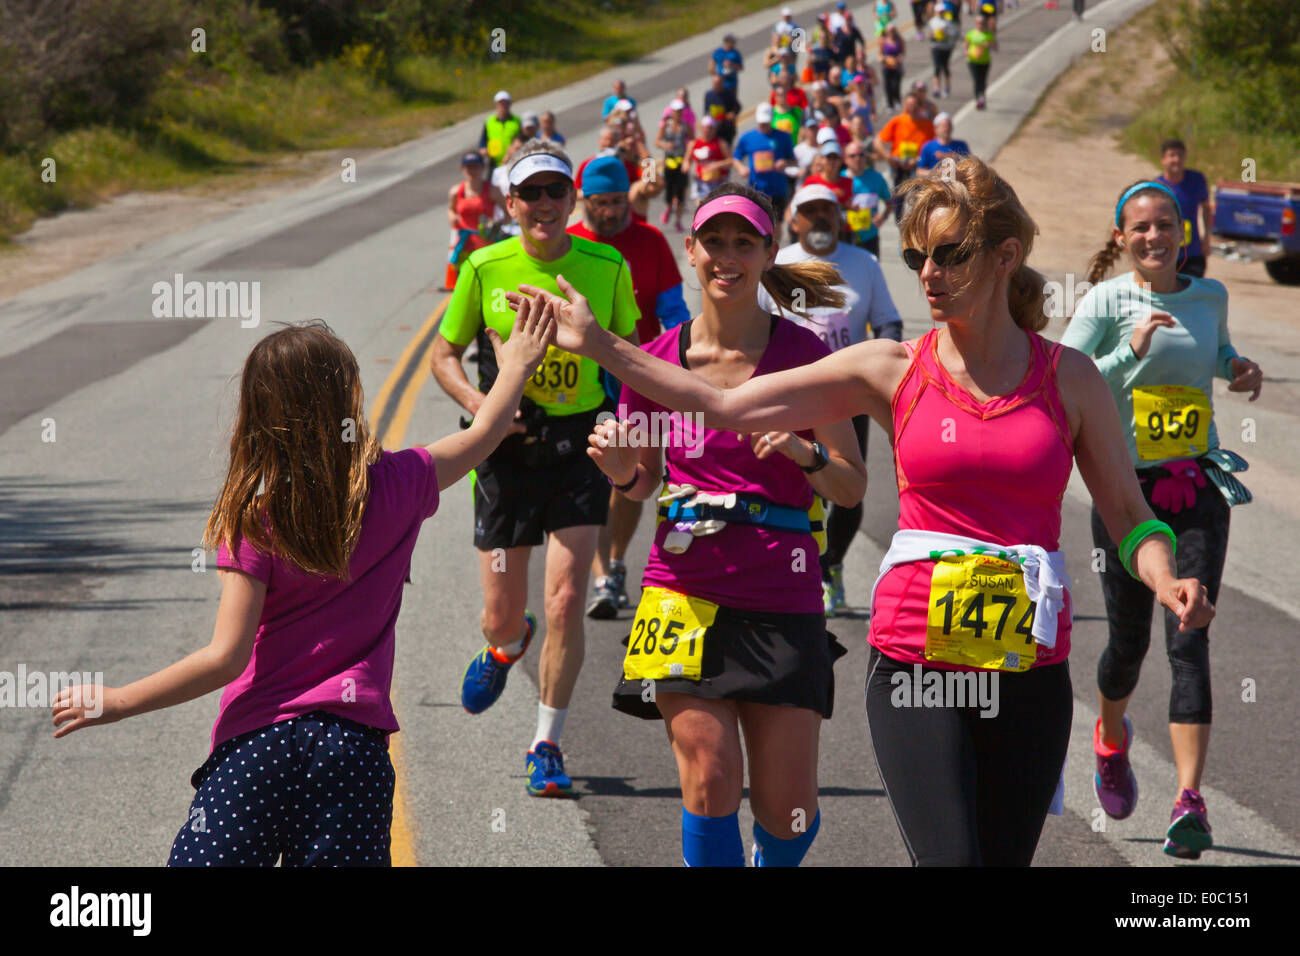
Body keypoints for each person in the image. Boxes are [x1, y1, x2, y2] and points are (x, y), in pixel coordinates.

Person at [528, 155, 1216, 866]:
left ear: (1005, 256)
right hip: (916, 659)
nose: (929, 274)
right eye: (918, 256)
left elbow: (1131, 515)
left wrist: (1165, 578)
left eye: (950, 255)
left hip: (1027, 664)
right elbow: (724, 405)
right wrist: (600, 343)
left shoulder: (1068, 378)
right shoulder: (887, 367)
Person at [52, 308, 555, 866]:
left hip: (259, 744)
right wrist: (516, 367)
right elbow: (485, 436)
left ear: (260, 416)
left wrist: (118, 702)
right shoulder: (402, 481)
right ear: (349, 403)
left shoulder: (256, 518)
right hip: (352, 750)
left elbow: (225, 657)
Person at [515, 183, 866, 867]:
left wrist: (807, 454)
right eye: (714, 242)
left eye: (744, 243)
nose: (726, 257)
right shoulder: (655, 360)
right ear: (691, 250)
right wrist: (620, 471)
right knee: (708, 776)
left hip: (782, 587)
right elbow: (644, 481)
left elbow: (850, 488)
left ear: (769, 252)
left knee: (787, 809)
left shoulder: (810, 360)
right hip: (682, 584)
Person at [432, 141, 641, 796]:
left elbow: (632, 353)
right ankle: (504, 643)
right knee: (504, 613)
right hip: (505, 452)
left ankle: (546, 743)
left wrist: (624, 420)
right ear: (511, 203)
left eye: (557, 191)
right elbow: (444, 353)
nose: (545, 204)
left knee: (568, 597)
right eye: (533, 194)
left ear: (570, 199)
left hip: (578, 445)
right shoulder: (484, 264)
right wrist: (481, 406)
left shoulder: (606, 265)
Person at [1061, 179, 1262, 859]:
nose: (1154, 237)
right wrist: (1129, 354)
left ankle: (1189, 800)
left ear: (1184, 231)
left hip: (1198, 487)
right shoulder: (1106, 302)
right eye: (1140, 228)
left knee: (1190, 634)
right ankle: (1111, 738)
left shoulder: (1210, 296)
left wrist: (1236, 367)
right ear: (1121, 238)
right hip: (1126, 493)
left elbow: (1216, 354)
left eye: (1165, 224)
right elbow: (1064, 384)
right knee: (1128, 646)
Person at [756, 184, 903, 615]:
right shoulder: (776, 264)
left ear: (841, 218)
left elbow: (889, 324)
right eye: (810, 210)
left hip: (846, 399)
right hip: (788, 397)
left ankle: (829, 566)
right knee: (795, 488)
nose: (820, 217)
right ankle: (790, 572)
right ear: (794, 220)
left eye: (828, 210)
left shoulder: (864, 263)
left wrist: (879, 367)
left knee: (847, 491)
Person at [568, 156, 690, 617]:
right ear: (585, 200)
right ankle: (602, 576)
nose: (612, 211)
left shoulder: (651, 241)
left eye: (619, 201)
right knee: (597, 477)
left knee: (634, 476)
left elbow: (674, 310)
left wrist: (681, 365)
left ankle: (615, 564)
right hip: (586, 385)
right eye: (602, 203)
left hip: (641, 378)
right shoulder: (570, 245)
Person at [443, 152, 505, 291]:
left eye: (476, 167)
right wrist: (452, 217)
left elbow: (508, 212)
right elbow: (451, 209)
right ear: (462, 169)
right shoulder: (456, 191)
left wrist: (497, 224)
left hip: (487, 244)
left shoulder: (492, 191)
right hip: (465, 245)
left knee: (487, 284)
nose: (472, 171)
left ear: (483, 168)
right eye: (468, 167)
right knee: (465, 285)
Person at [732, 104, 798, 225]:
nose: (764, 125)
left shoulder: (783, 137)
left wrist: (785, 163)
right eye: (762, 121)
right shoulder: (747, 137)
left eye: (766, 121)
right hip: (756, 189)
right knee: (757, 224)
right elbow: (736, 157)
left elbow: (793, 160)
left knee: (776, 225)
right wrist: (741, 168)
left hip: (778, 189)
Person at [874, 93, 935, 223]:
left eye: (913, 105)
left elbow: (932, 147)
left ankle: (917, 224)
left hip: (918, 167)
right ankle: (901, 226)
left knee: (918, 199)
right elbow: (878, 140)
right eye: (908, 105)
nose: (911, 108)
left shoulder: (927, 125)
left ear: (919, 106)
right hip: (899, 166)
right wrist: (888, 156)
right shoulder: (898, 121)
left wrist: (918, 160)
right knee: (899, 199)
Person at [1157, 139, 1213, 279]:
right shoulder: (1157, 186)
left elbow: (1206, 209)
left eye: (1180, 155)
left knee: (1189, 294)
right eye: (1172, 155)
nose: (1176, 159)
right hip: (1166, 253)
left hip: (1192, 253)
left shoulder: (1197, 180)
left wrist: (1206, 238)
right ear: (1163, 160)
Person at [844, 140, 894, 257]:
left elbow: (891, 201)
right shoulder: (839, 178)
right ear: (845, 159)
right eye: (853, 156)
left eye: (861, 155)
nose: (858, 159)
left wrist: (883, 217)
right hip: (844, 236)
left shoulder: (876, 178)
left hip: (869, 237)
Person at [657, 111, 691, 232]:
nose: (679, 114)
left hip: (681, 163)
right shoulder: (666, 125)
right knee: (669, 192)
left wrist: (688, 159)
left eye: (681, 111)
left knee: (681, 193)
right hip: (669, 163)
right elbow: (657, 141)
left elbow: (692, 141)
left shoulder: (685, 126)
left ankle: (678, 221)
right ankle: (669, 207)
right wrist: (665, 145)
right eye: (677, 111)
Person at [686, 116, 732, 202]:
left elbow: (730, 161)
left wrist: (716, 165)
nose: (707, 131)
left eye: (710, 128)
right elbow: (687, 160)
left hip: (718, 182)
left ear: (714, 129)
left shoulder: (720, 143)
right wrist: (686, 166)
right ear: (701, 128)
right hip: (701, 182)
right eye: (705, 128)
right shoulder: (693, 143)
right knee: (701, 206)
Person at [479, 90, 522, 171]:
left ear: (510, 104)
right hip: (493, 162)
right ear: (496, 104)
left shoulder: (517, 121)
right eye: (501, 103)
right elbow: (483, 139)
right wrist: (483, 148)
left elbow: (522, 138)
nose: (503, 105)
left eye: (506, 103)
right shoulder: (489, 121)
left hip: (513, 161)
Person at [965, 14, 997, 110]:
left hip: (985, 61)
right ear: (976, 24)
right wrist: (968, 52)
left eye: (982, 23)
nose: (980, 25)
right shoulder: (971, 34)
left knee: (983, 81)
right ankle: (978, 100)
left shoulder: (988, 35)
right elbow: (966, 45)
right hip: (973, 61)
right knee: (976, 80)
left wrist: (989, 44)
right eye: (979, 23)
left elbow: (995, 47)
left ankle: (982, 96)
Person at [927, 5, 959, 99]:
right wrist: (933, 34)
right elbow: (928, 34)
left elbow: (954, 34)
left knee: (945, 67)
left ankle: (947, 88)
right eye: (939, 11)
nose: (941, 13)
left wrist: (946, 32)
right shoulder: (932, 22)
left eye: (942, 11)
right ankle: (936, 89)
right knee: (937, 67)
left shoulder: (948, 22)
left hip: (946, 47)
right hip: (936, 46)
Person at [704, 74, 741, 148]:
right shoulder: (709, 95)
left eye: (719, 83)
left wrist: (733, 113)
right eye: (715, 83)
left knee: (726, 147)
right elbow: (706, 111)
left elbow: (738, 107)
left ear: (722, 83)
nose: (717, 85)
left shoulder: (728, 93)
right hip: (715, 129)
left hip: (727, 128)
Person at [879, 24, 906, 111]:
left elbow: (902, 52)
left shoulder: (899, 40)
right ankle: (890, 104)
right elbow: (880, 54)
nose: (892, 32)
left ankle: (897, 101)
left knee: (896, 85)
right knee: (888, 86)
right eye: (890, 30)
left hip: (896, 66)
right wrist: (885, 59)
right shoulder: (883, 40)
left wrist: (897, 59)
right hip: (886, 67)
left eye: (893, 30)